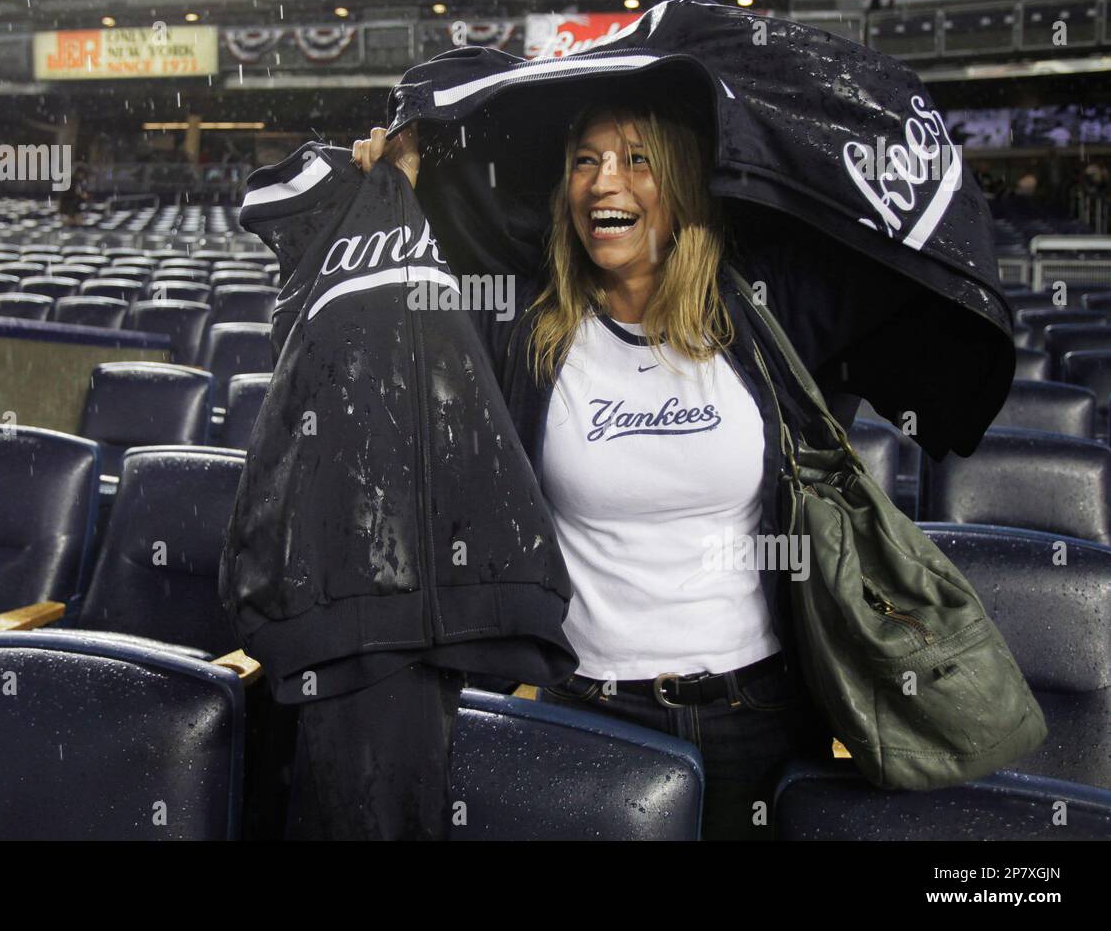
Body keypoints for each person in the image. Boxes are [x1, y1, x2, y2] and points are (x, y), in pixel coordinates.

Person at [352, 92, 916, 840]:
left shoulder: (762, 320)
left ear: (683, 190)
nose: (603, 180)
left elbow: (884, 242)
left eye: (637, 160)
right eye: (586, 161)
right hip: (586, 711)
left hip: (759, 711)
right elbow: (388, 337)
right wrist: (395, 195)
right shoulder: (529, 329)